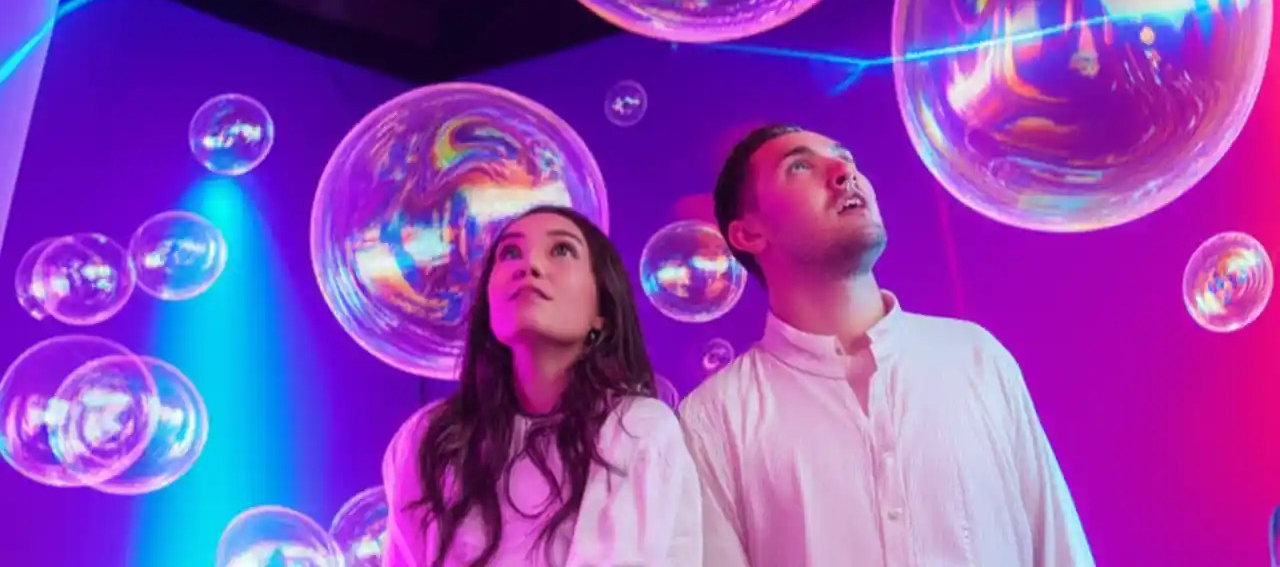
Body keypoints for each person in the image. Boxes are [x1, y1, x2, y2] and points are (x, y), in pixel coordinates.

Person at [678, 123, 1094, 566]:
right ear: (749, 235)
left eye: (847, 157)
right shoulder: (714, 417)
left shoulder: (975, 357)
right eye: (799, 166)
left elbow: (1058, 547)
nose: (844, 171)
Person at [382, 205, 702, 567]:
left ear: (603, 312)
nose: (529, 266)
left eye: (561, 250)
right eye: (510, 253)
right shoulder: (428, 438)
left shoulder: (638, 429)